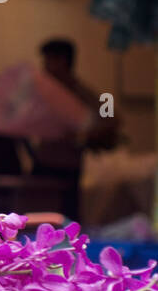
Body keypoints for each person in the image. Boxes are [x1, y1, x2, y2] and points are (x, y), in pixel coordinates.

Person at [24, 37, 119, 222]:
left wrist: (82, 136)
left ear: (63, 61)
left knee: (66, 218)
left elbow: (110, 119)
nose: (45, 66)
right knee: (36, 216)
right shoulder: (44, 91)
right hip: (43, 162)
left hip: (66, 166)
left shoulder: (79, 93)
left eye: (50, 60)